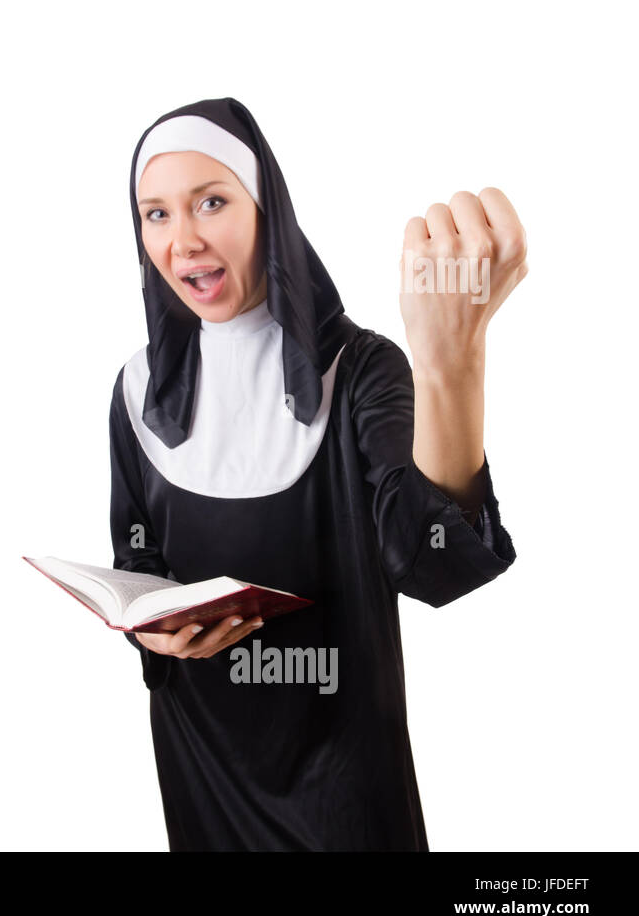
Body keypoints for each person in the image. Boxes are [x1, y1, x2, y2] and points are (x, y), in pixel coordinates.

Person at [109, 97, 521, 850]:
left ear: (267, 207)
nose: (184, 240)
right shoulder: (137, 390)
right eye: (156, 214)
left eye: (211, 201)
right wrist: (155, 629)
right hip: (200, 767)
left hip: (340, 788)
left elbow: (433, 563)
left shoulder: (361, 371)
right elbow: (138, 554)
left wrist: (449, 365)